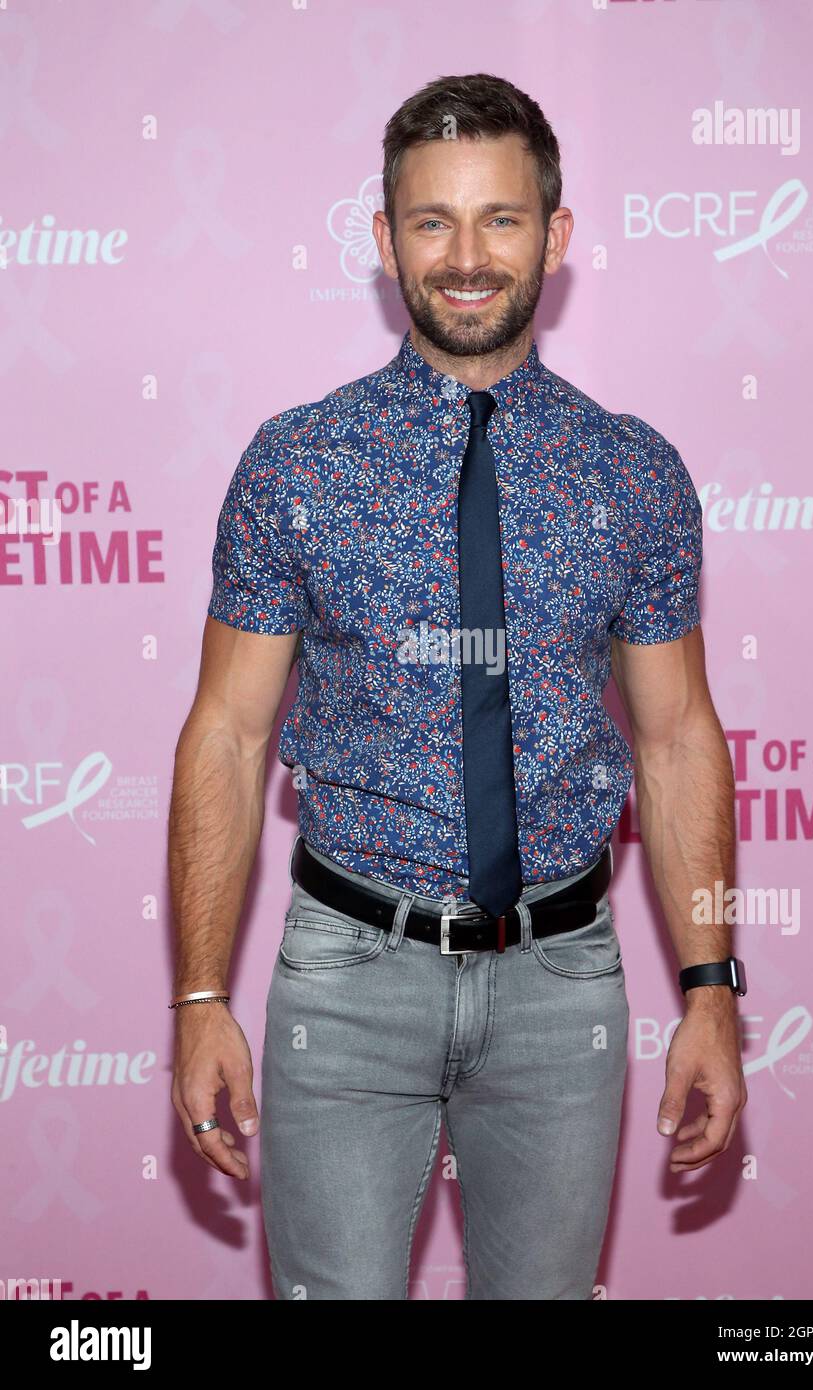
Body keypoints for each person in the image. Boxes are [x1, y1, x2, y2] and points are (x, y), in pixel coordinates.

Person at [168, 72, 746, 1301]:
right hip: (348, 971)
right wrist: (201, 992)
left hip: (560, 984)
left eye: (500, 219)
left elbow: (678, 736)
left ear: (556, 236)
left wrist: (706, 985)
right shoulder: (297, 463)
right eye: (431, 221)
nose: (467, 256)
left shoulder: (633, 473)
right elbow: (225, 734)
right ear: (384, 243)